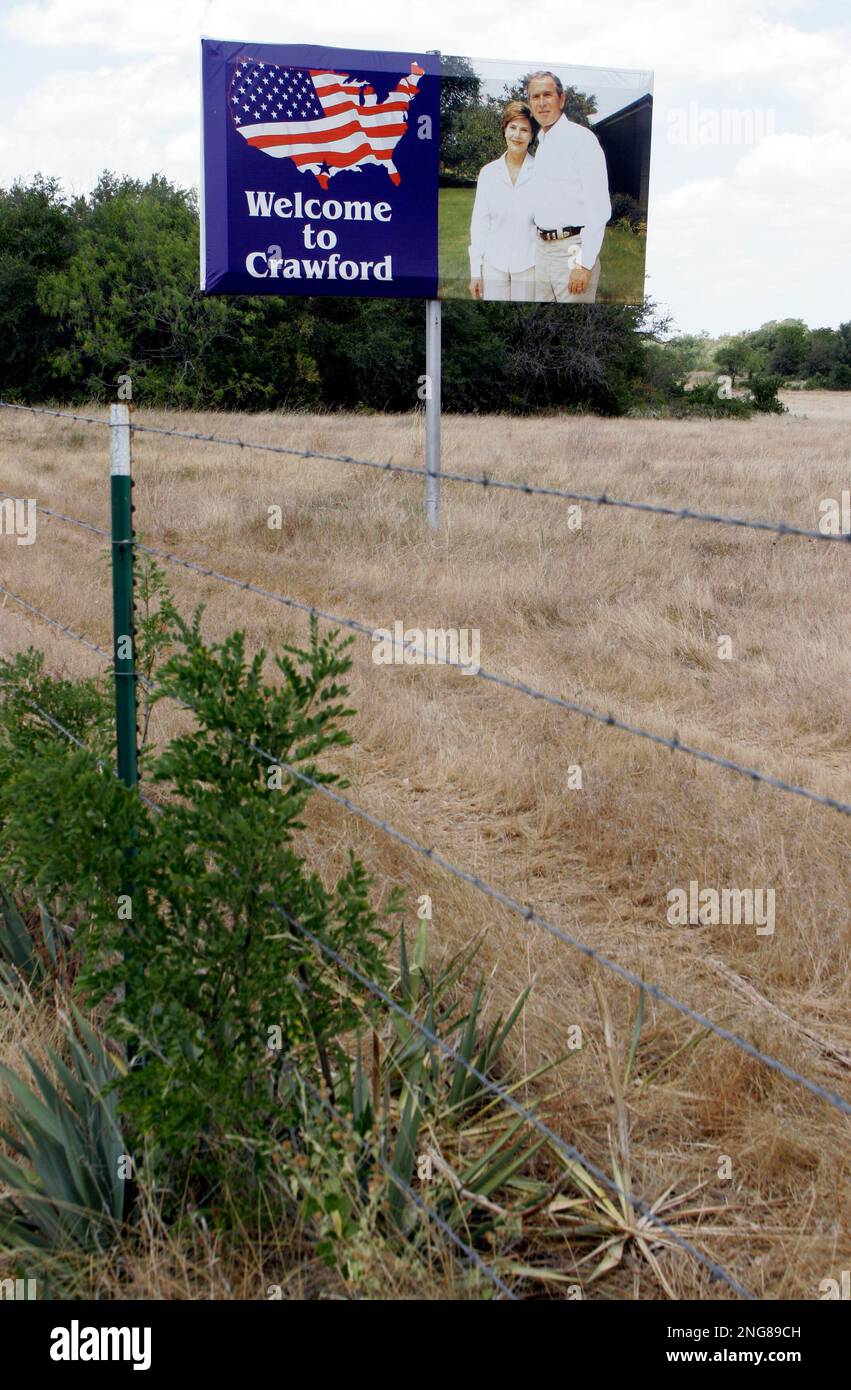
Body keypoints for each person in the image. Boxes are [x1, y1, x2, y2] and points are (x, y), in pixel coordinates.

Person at [526, 71, 611, 303]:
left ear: (561, 99)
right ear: (530, 103)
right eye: (535, 97)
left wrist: (584, 264)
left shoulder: (581, 140)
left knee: (571, 331)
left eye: (547, 95)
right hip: (543, 252)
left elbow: (599, 207)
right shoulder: (542, 143)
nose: (542, 103)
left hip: (572, 251)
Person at [468, 101, 538, 302]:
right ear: (504, 129)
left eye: (524, 130)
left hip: (529, 265)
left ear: (531, 135)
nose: (517, 135)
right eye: (513, 127)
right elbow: (479, 225)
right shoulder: (489, 173)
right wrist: (476, 272)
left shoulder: (541, 171)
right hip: (493, 264)